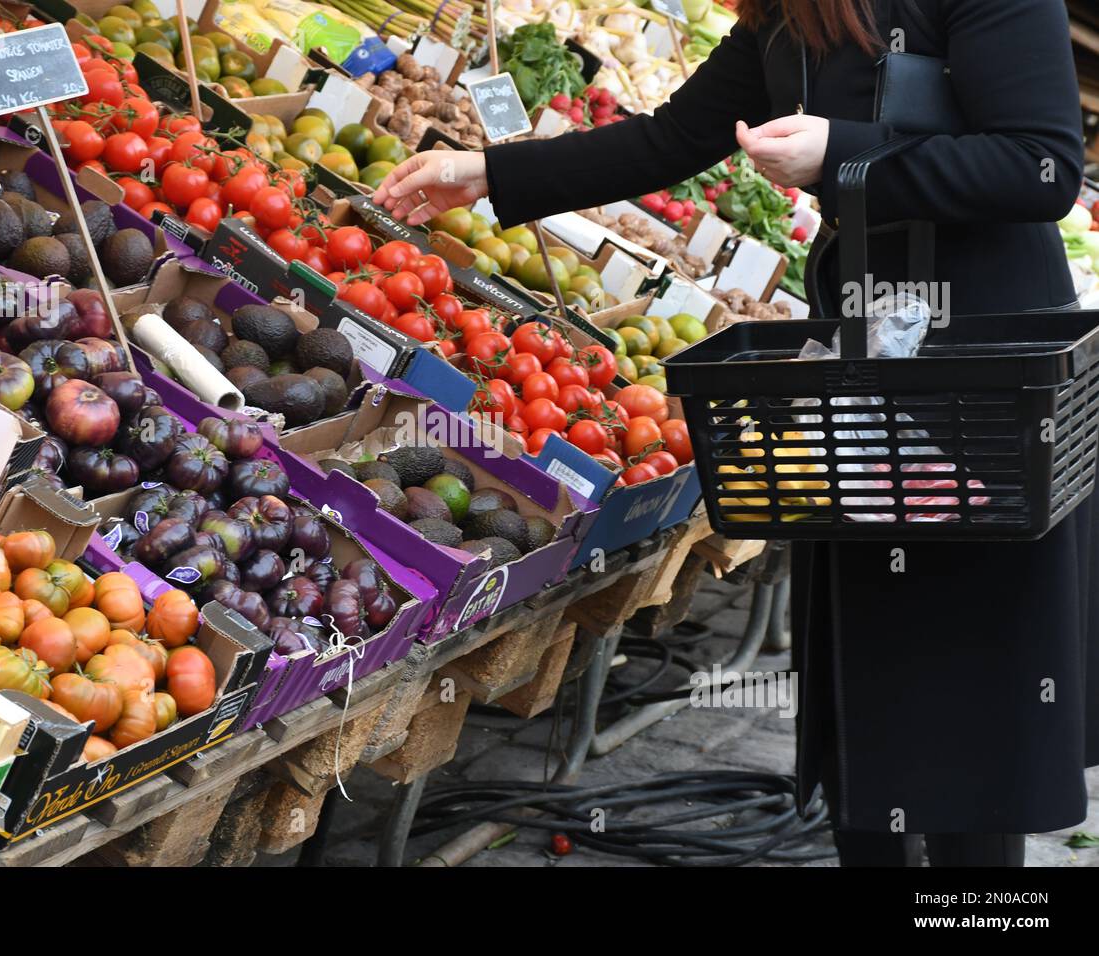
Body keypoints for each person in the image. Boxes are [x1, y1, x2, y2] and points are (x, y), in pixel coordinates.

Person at [374, 0, 1092, 867]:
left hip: (981, 378)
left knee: (971, 696)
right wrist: (488, 172)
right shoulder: (792, 16)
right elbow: (670, 138)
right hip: (863, 365)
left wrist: (842, 152)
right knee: (867, 685)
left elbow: (1041, 165)